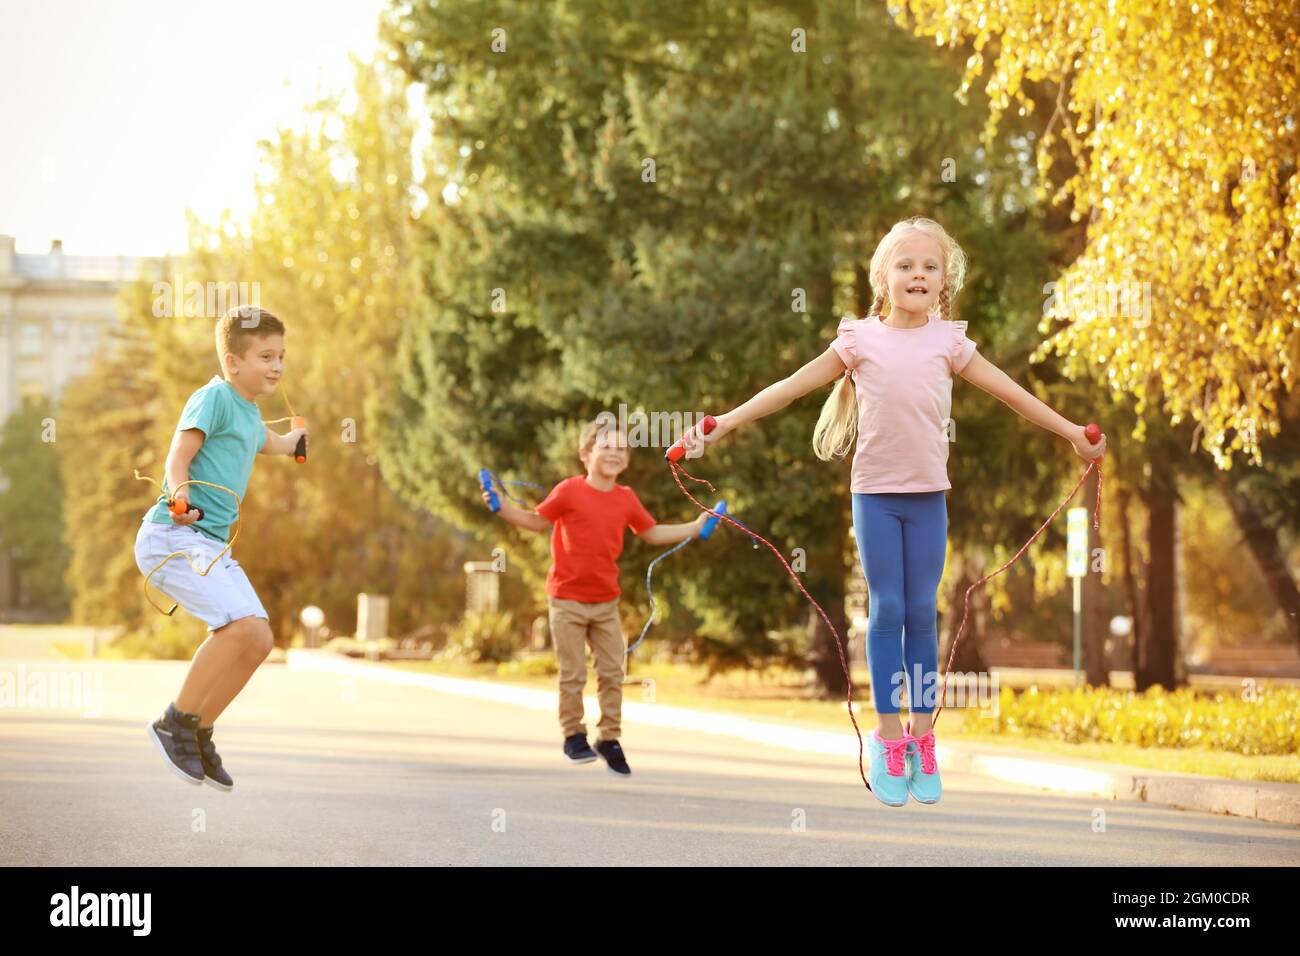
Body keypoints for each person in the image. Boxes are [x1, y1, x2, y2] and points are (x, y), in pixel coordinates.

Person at [685, 216, 1106, 806]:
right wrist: (726, 421)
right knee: (886, 609)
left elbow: (1012, 393)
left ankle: (924, 739)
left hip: (929, 497)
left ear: (944, 281)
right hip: (875, 497)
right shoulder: (859, 341)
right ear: (883, 278)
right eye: (905, 265)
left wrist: (1069, 433)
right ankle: (890, 741)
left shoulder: (950, 342)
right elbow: (791, 386)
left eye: (930, 267)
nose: (918, 274)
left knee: (921, 612)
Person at [135, 305, 308, 790]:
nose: (276, 366)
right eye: (265, 356)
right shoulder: (213, 397)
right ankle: (175, 722)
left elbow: (268, 442)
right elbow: (177, 456)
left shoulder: (250, 415)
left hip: (209, 546)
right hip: (173, 537)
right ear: (232, 362)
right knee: (236, 628)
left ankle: (200, 728)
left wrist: (294, 440)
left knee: (258, 639)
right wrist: (179, 493)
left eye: (281, 356)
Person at [483, 418, 707, 776]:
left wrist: (695, 528)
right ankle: (573, 734)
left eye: (621, 449)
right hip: (567, 599)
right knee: (573, 673)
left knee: (612, 672)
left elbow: (651, 532)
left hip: (605, 602)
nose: (615, 453)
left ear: (627, 460)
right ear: (586, 454)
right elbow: (538, 521)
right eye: (607, 447)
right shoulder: (569, 491)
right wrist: (501, 509)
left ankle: (609, 738)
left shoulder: (626, 498)